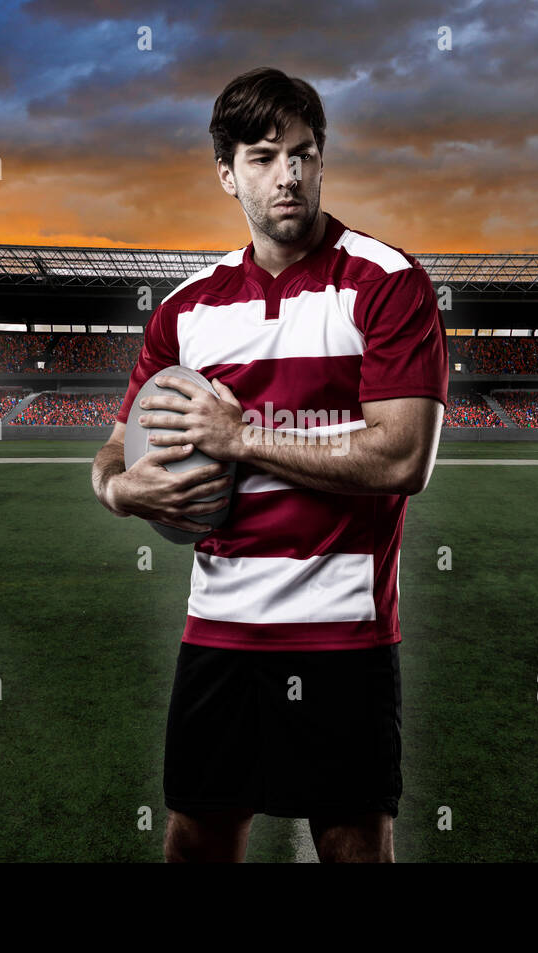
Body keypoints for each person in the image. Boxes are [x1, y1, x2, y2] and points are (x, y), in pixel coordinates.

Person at [91, 66, 447, 862]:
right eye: (263, 156)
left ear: (321, 161)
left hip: (344, 636)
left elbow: (403, 456)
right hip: (220, 631)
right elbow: (115, 447)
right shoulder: (187, 309)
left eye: (304, 153)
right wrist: (119, 489)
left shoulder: (386, 284)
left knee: (354, 846)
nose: (288, 173)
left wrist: (240, 433)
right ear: (227, 174)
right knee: (196, 839)